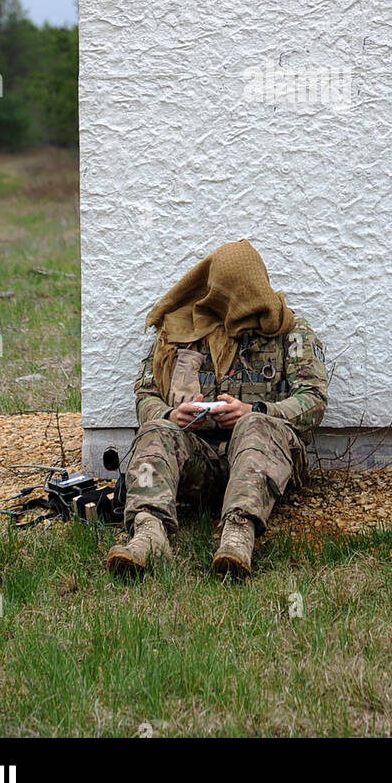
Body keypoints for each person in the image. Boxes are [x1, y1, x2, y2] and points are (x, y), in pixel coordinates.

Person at [106, 239, 328, 580]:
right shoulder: (182, 331)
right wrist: (169, 416)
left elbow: (312, 400)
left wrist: (254, 409)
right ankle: (149, 531)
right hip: (198, 461)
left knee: (256, 424)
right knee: (154, 431)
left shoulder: (288, 332)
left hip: (262, 460)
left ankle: (238, 534)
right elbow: (146, 396)